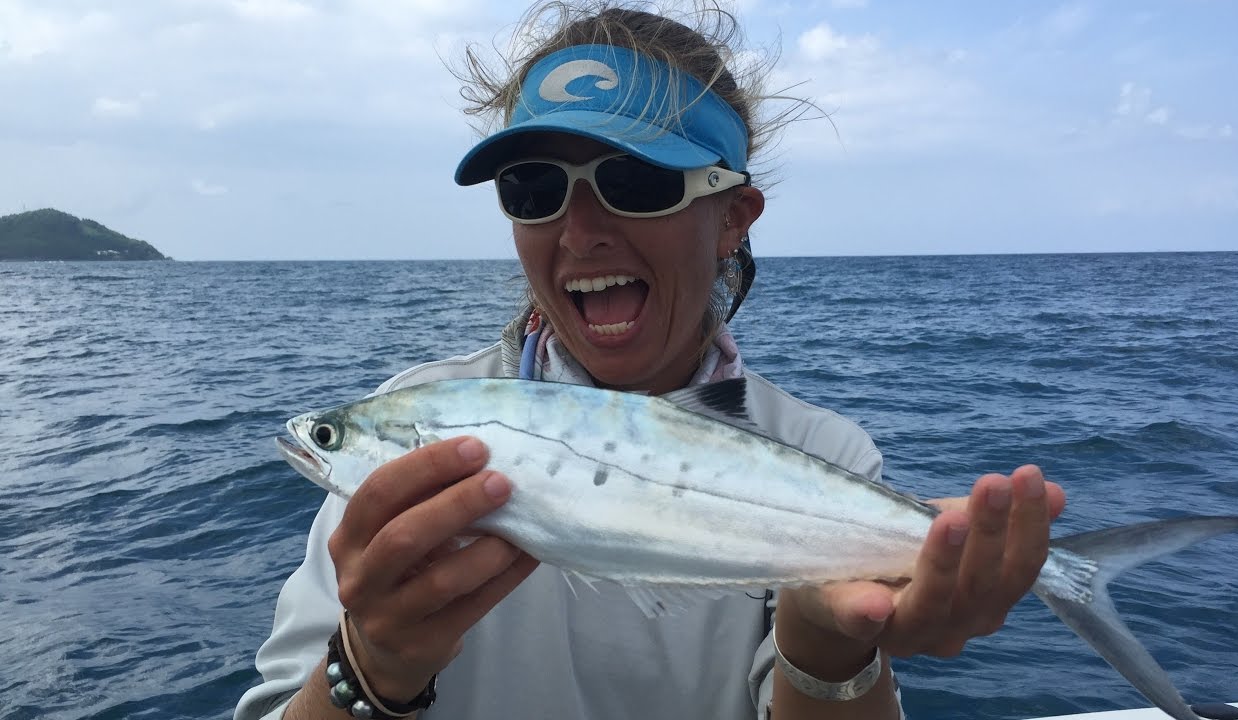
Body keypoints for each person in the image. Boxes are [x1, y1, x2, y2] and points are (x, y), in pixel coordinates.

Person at [234, 3, 1066, 719]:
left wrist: (824, 646)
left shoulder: (828, 454)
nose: (580, 229)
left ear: (734, 217)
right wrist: (371, 666)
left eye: (635, 181)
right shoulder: (415, 419)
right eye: (534, 188)